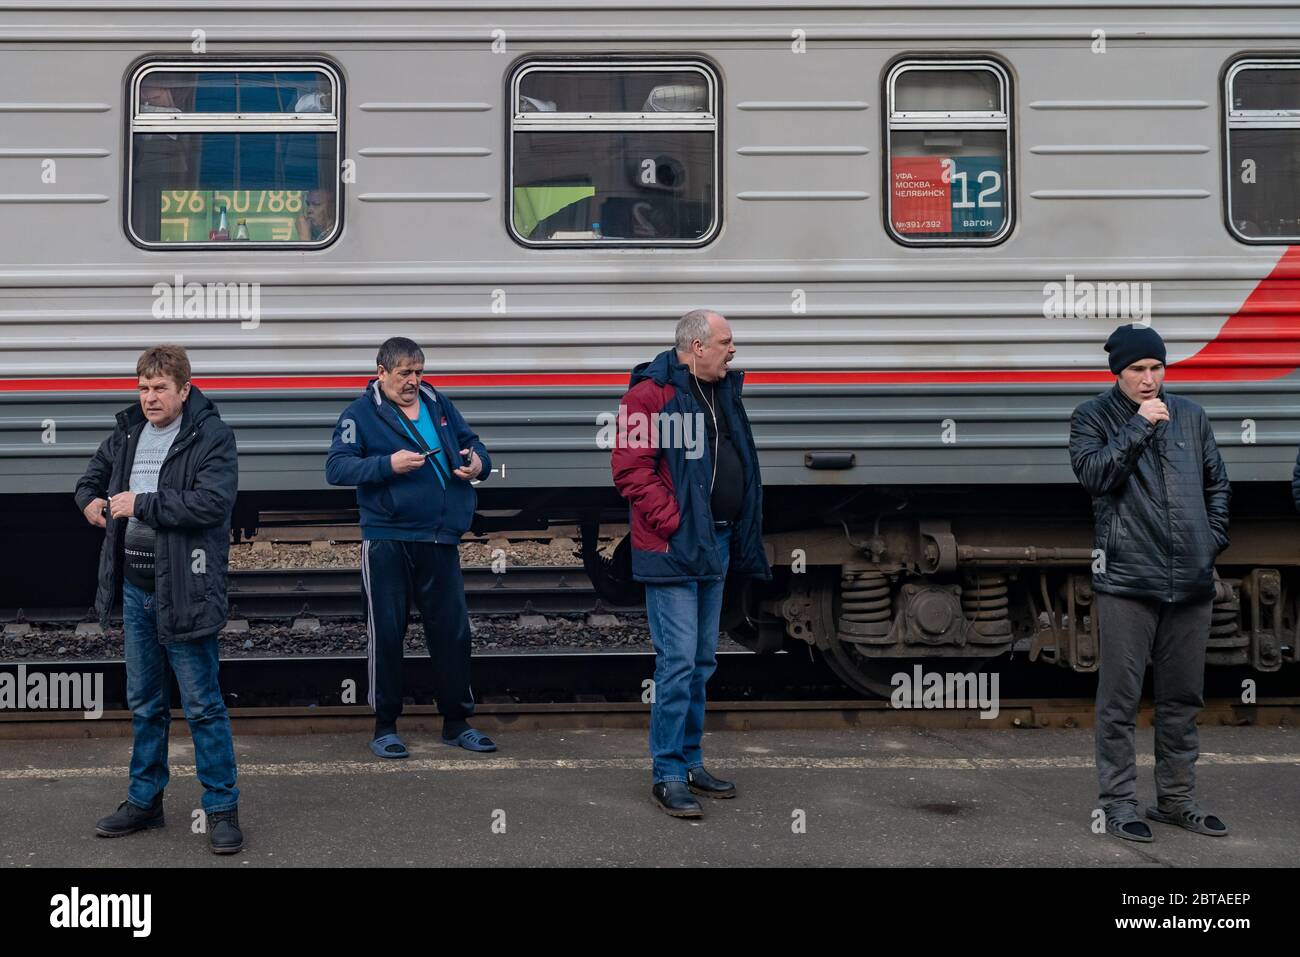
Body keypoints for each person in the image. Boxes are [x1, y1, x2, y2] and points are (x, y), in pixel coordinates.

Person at [73, 345, 243, 854]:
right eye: (143, 388)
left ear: (184, 390)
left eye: (160, 388)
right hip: (136, 589)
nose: (149, 398)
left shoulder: (211, 435)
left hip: (186, 590)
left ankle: (221, 810)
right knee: (146, 705)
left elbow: (213, 503)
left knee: (203, 706)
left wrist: (140, 503)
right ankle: (145, 802)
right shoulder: (128, 432)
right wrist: (90, 503)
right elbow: (88, 479)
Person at [1069, 323, 1231, 843]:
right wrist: (1138, 426)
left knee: (1183, 698)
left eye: (1156, 368)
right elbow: (1094, 476)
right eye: (1138, 369)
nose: (1149, 379)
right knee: (1119, 701)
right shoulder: (1091, 417)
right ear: (1118, 372)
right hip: (1126, 579)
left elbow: (1216, 484)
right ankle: (1118, 804)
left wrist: (1210, 541)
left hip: (1190, 579)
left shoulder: (1192, 415)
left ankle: (1177, 800)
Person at [611, 310, 771, 818]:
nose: (733, 350)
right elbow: (630, 471)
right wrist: (677, 523)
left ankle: (692, 760)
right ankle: (667, 774)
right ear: (697, 346)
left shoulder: (721, 391)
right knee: (678, 663)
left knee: (702, 662)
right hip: (675, 547)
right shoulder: (648, 395)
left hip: (717, 544)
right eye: (726, 341)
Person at [325, 337, 495, 757]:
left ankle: (457, 723)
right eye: (404, 373)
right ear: (381, 372)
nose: (413, 381)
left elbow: (476, 446)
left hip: (440, 537)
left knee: (452, 634)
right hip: (387, 538)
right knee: (386, 633)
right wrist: (388, 465)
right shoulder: (361, 414)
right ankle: (385, 727)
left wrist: (478, 464)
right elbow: (336, 467)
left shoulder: (438, 404)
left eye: (418, 372)